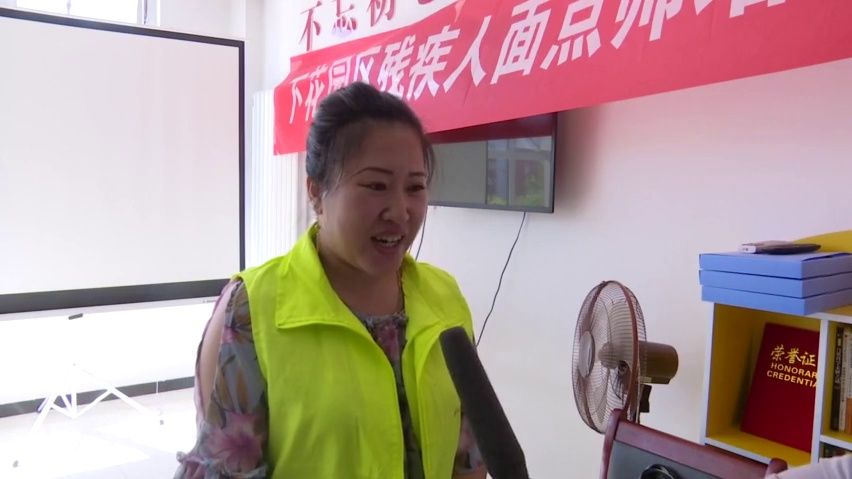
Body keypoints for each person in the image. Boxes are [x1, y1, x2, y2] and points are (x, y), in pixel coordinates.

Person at [175, 82, 486, 479]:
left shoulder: (444, 296)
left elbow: (467, 453)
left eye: (415, 187)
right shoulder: (251, 309)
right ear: (317, 192)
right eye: (376, 186)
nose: (399, 211)